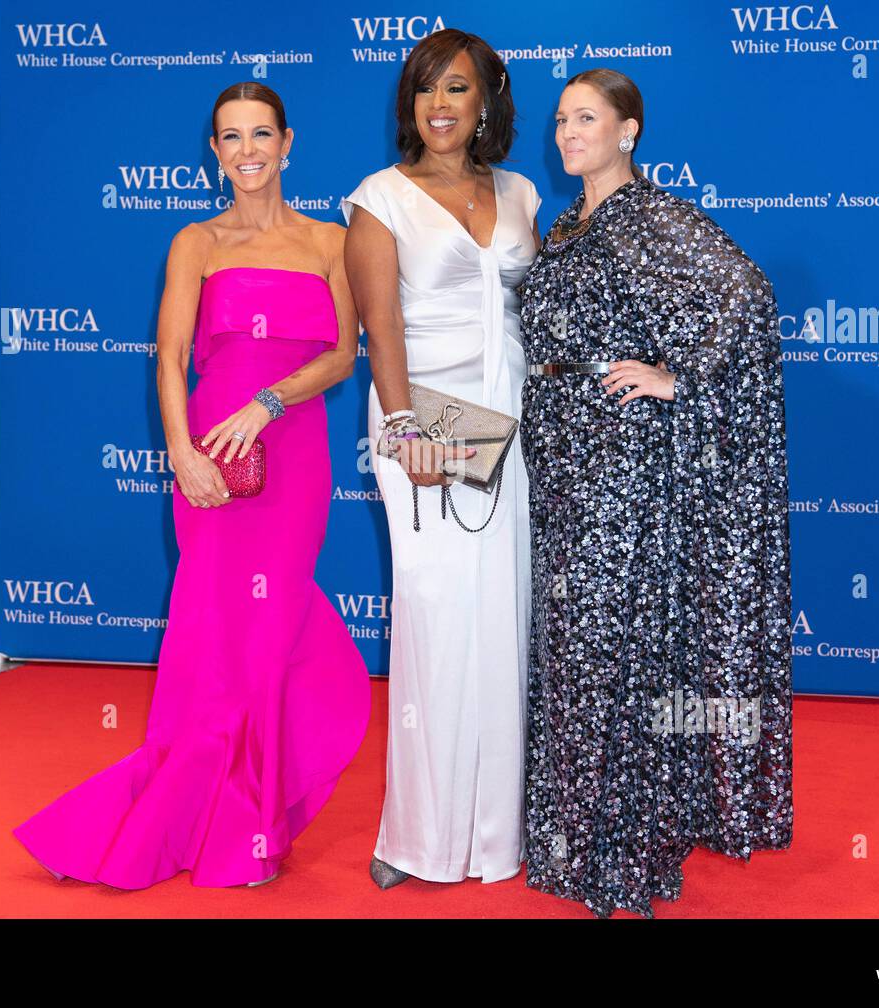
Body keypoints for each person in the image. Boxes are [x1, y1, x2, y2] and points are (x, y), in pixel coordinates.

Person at [12, 82, 370, 889]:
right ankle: (199, 810)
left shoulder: (327, 241)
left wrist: (270, 401)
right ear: (214, 151)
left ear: (289, 143)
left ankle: (253, 821)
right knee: (214, 630)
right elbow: (170, 358)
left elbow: (346, 354)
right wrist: (183, 452)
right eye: (230, 137)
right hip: (213, 456)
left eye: (261, 135)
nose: (247, 151)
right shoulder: (195, 242)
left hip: (292, 453)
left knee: (271, 630)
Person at [518, 68, 793, 918]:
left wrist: (680, 375)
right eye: (561, 119)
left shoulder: (650, 216)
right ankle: (576, 830)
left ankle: (618, 840)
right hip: (562, 452)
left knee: (609, 643)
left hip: (618, 455)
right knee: (576, 644)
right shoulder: (567, 223)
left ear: (628, 131)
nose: (568, 133)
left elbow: (746, 295)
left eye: (587, 118)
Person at [341, 29, 542, 889]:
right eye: (426, 91)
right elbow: (380, 330)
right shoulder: (379, 199)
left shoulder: (525, 192)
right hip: (422, 427)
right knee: (432, 623)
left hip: (514, 430)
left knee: (501, 622)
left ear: (486, 99)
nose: (440, 106)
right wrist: (410, 433)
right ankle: (419, 837)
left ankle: (497, 833)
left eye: (457, 89)